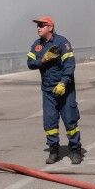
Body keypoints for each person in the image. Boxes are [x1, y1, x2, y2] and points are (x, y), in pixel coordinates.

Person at [26, 16, 82, 165]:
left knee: (70, 121)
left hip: (65, 90)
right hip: (48, 91)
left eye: (42, 25)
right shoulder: (37, 45)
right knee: (50, 123)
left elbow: (70, 65)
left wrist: (63, 83)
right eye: (38, 26)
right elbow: (30, 63)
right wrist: (42, 60)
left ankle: (75, 150)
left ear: (50, 27)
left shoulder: (62, 42)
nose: (38, 28)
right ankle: (53, 150)